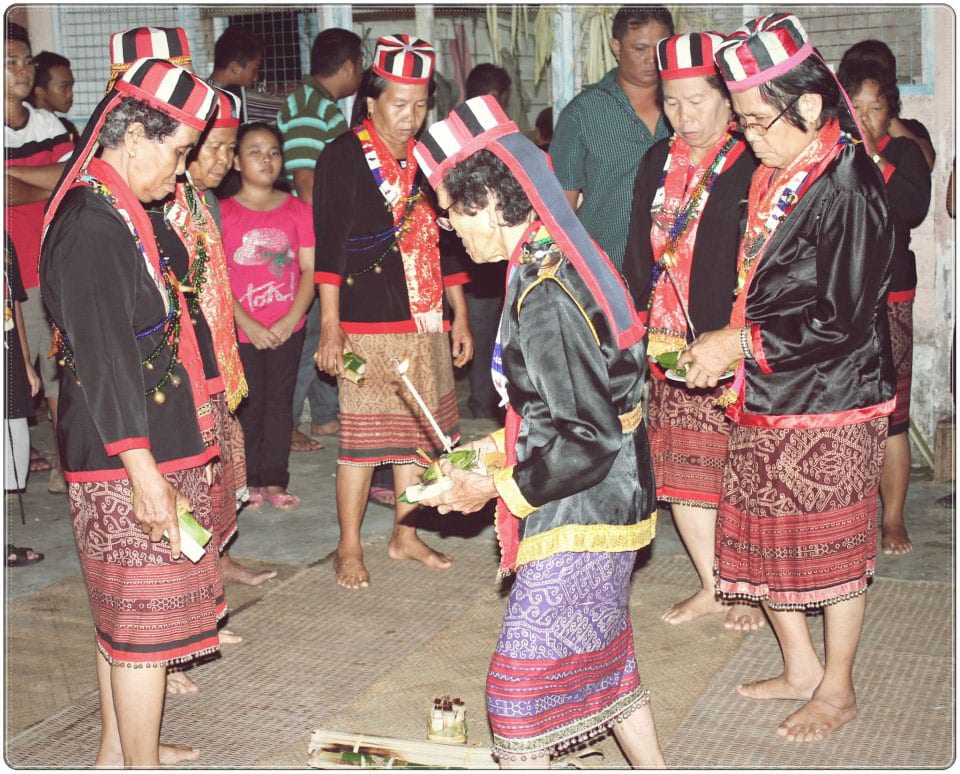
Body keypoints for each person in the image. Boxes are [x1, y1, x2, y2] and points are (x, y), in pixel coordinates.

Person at [414, 95, 663, 768]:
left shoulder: (545, 290)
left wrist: (495, 487)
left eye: (453, 209)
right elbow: (566, 408)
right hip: (614, 495)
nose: (445, 226)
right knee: (606, 661)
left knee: (517, 694)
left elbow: (585, 436)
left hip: (585, 505)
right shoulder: (559, 252)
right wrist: (485, 450)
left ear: (495, 200)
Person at [680, 14, 896, 741]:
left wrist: (738, 342)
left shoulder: (848, 184)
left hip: (831, 395)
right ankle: (800, 666)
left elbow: (843, 315)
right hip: (768, 387)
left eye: (752, 119)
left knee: (828, 543)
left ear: (807, 105)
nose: (745, 136)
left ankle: (837, 688)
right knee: (767, 532)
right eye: (739, 121)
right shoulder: (781, 170)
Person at [40, 57, 221, 766]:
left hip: (135, 444)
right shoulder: (92, 224)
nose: (179, 174)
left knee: (121, 619)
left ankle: (116, 752)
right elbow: (107, 359)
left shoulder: (116, 208)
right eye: (177, 154)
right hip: (125, 459)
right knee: (144, 633)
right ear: (135, 137)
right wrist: (145, 475)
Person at [314, 34, 473, 590]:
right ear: (371, 99)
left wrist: (460, 314)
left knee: (414, 435)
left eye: (421, 104)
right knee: (361, 443)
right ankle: (348, 546)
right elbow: (329, 246)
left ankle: (404, 534)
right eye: (399, 104)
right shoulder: (341, 156)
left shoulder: (429, 157)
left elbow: (447, 240)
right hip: (365, 320)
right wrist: (331, 327)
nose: (410, 117)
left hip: (425, 318)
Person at [622, 32, 761, 630]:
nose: (685, 115)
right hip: (669, 345)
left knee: (740, 472)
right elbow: (636, 249)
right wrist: (632, 324)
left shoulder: (753, 162)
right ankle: (714, 585)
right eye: (673, 102)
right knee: (683, 474)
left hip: (730, 343)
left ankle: (746, 586)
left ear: (728, 100)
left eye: (698, 100)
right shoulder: (656, 161)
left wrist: (738, 337)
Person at [839, 62, 931, 556]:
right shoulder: (831, 153)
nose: (866, 118)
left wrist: (876, 157)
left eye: (877, 108)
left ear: (890, 112)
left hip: (891, 293)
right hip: (842, 301)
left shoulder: (903, 154)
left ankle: (892, 519)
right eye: (857, 107)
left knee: (892, 411)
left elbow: (913, 207)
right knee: (847, 410)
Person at [221, 122, 315, 511]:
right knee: (247, 405)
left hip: (287, 327)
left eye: (274, 152)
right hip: (243, 330)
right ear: (236, 161)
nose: (267, 159)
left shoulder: (298, 211)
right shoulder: (222, 212)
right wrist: (248, 323)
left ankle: (274, 479)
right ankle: (246, 481)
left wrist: (288, 320)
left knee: (280, 403)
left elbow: (309, 271)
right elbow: (218, 277)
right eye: (256, 151)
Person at [277, 27, 363, 454]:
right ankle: (288, 424)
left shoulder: (318, 103)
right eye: (360, 64)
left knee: (320, 328)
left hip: (310, 235)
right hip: (307, 238)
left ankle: (326, 415)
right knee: (308, 333)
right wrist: (326, 240)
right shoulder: (311, 107)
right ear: (348, 66)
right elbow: (307, 180)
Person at [550, 5, 673, 269]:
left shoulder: (689, 109)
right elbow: (560, 210)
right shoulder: (582, 113)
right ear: (616, 47)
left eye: (660, 47)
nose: (652, 58)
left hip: (674, 269)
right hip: (606, 268)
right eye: (639, 49)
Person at [5, 21, 73, 494]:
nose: (22, 71)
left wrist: (18, 184)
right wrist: (44, 180)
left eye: (26, 61)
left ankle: (71, 469)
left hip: (51, 266)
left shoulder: (53, 125)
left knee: (58, 375)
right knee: (16, 379)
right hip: (10, 277)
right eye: (10, 62)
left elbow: (71, 181)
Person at [458, 63, 514, 421]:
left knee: (481, 335)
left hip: (468, 264)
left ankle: (484, 405)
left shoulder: (452, 140)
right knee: (496, 333)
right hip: (491, 257)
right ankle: (493, 407)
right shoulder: (504, 139)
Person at [838, 39, 935, 169]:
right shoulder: (837, 133)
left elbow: (925, 164)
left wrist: (886, 113)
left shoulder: (910, 130)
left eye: (878, 74)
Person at [30, 51, 78, 140]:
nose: (70, 94)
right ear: (40, 91)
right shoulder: (28, 130)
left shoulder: (66, 127)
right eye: (63, 87)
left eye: (71, 86)